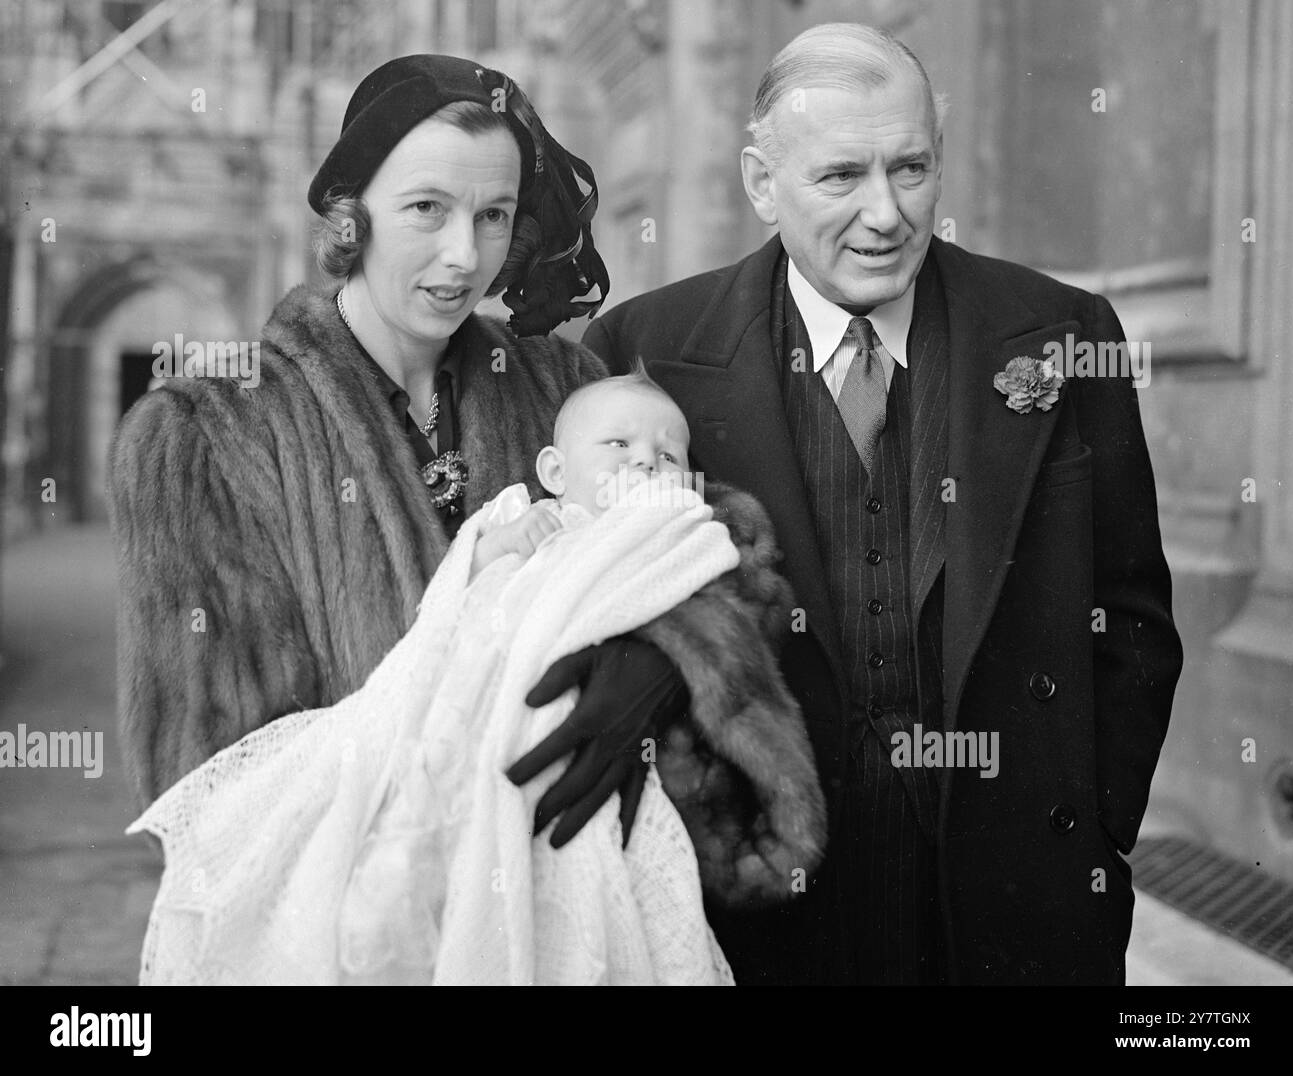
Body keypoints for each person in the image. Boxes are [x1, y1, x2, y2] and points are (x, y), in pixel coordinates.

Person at [582, 23, 1184, 985]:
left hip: (1011, 902)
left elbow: (1136, 618)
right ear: (759, 183)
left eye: (911, 168)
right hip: (760, 914)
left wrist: (1096, 831)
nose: (886, 214)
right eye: (840, 177)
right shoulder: (642, 356)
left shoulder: (1062, 333)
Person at [108, 55, 805, 877]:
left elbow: (724, 547)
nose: (462, 255)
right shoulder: (208, 435)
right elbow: (215, 767)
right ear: (348, 215)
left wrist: (662, 659)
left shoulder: (566, 390)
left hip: (566, 885)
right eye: (426, 209)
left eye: (494, 216)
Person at [128, 370, 825, 985]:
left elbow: (718, 568)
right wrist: (496, 548)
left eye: (667, 455)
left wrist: (668, 655)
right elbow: (454, 605)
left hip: (584, 767)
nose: (646, 459)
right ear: (553, 467)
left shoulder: (624, 451)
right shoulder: (221, 426)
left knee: (580, 906)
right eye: (619, 447)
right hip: (447, 732)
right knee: (385, 883)